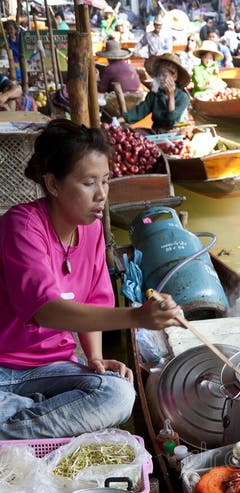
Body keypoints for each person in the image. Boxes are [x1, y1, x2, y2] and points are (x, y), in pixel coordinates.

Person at [0, 119, 182, 440]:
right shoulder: (22, 225)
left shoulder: (93, 229)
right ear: (54, 185)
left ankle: (23, 417)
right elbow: (47, 310)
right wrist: (136, 316)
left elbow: (94, 300)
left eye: (106, 181)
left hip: (51, 369)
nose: (101, 195)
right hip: (5, 369)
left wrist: (95, 359)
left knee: (119, 393)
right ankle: (28, 417)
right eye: (88, 183)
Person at [121, 53, 190, 132]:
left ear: (174, 77)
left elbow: (171, 121)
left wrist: (170, 96)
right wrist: (119, 120)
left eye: (164, 75)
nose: (160, 78)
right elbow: (140, 111)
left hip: (175, 132)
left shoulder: (182, 97)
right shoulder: (154, 94)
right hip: (157, 130)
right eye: (159, 74)